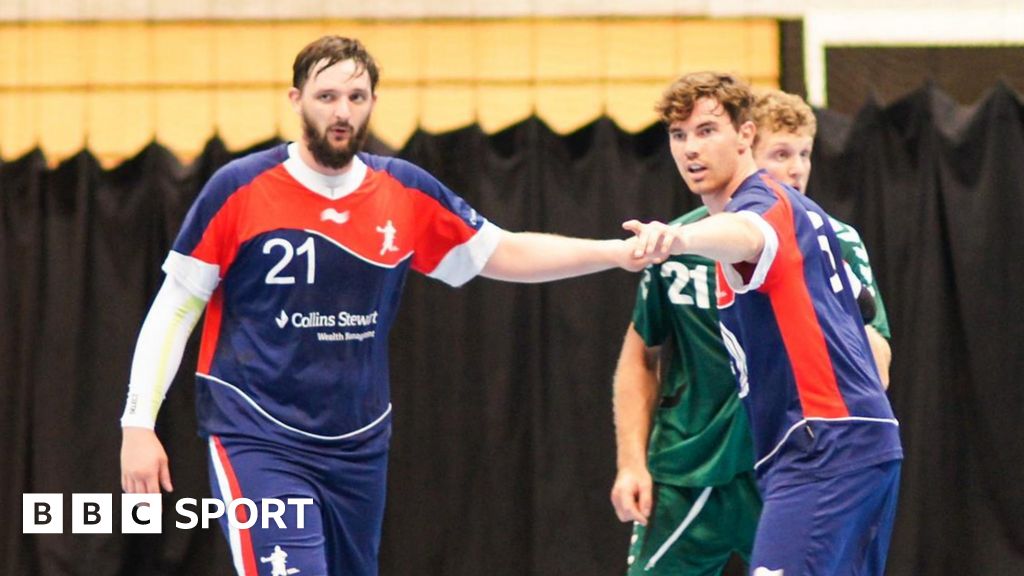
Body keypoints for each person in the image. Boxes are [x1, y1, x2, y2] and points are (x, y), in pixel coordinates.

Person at [120, 35, 652, 576]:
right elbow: (175, 308)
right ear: (295, 99)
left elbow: (503, 251)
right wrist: (138, 422)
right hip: (258, 434)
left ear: (373, 102)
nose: (342, 111)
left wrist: (614, 253)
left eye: (356, 97)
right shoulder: (239, 188)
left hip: (358, 441)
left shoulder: (402, 190)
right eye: (326, 97)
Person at [623, 72, 903, 575]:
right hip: (781, 450)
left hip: (818, 443)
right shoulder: (782, 220)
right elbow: (640, 354)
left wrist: (674, 241)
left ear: (742, 137)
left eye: (804, 154)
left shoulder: (769, 213)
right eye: (679, 135)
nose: (794, 170)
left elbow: (750, 233)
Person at [750, 89, 892, 387]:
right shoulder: (701, 240)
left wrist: (833, 301)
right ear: (746, 157)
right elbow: (650, 354)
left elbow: (878, 370)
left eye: (804, 154)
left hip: (814, 421)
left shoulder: (838, 238)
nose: (797, 169)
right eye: (781, 154)